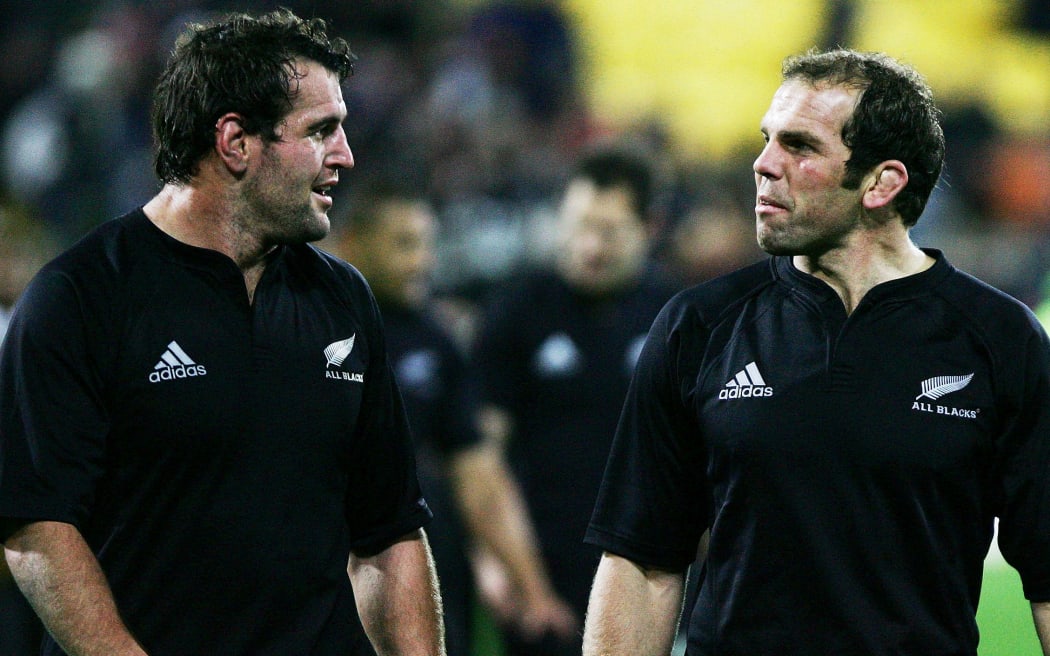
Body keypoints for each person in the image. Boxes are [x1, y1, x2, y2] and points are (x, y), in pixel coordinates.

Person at [0, 10, 444, 656]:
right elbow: (38, 527)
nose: (345, 155)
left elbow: (389, 530)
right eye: (321, 131)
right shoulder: (80, 299)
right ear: (236, 142)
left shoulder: (344, 301)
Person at [582, 48, 1050, 656]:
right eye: (767, 139)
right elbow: (641, 563)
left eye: (799, 146)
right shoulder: (697, 326)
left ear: (883, 183)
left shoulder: (999, 340)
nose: (763, 164)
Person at [328, 184, 576, 655]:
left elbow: (480, 478)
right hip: (328, 576)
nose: (420, 261)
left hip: (423, 568)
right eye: (403, 243)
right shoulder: (309, 329)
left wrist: (532, 589)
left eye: (426, 243)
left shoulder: (436, 342)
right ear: (353, 243)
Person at [470, 145, 681, 656]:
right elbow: (481, 457)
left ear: (650, 227)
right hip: (538, 571)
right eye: (578, 225)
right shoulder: (517, 311)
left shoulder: (677, 317)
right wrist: (497, 561)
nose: (588, 245)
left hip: (647, 578)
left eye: (608, 230)